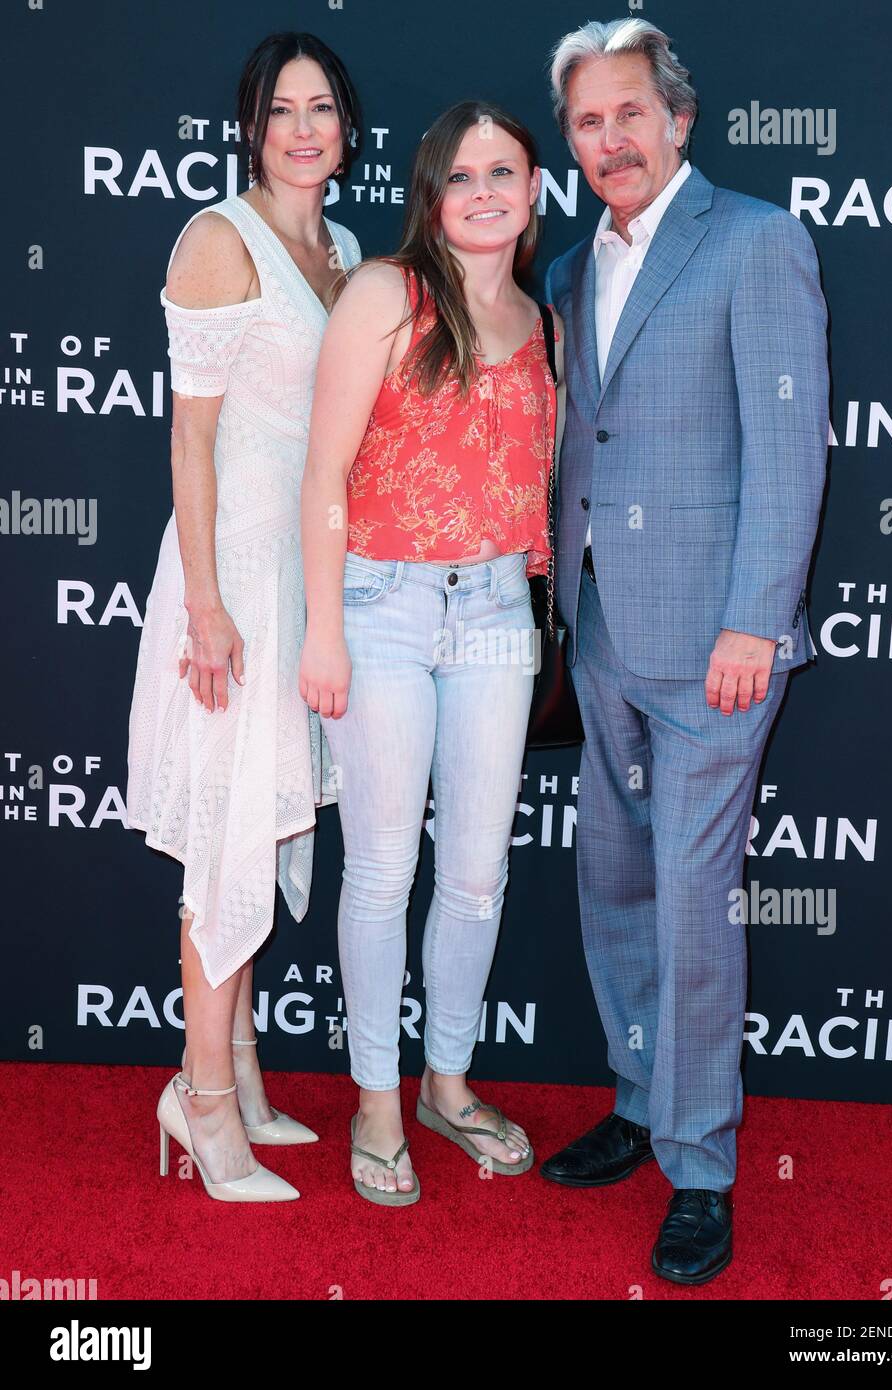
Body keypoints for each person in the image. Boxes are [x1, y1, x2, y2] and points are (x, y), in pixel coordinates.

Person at [539, 18, 829, 1283]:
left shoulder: (754, 241)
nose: (611, 138)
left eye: (628, 113)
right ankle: (641, 1098)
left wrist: (753, 623)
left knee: (697, 909)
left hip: (713, 642)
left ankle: (701, 1164)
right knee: (613, 880)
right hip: (596, 631)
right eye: (587, 122)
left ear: (678, 119)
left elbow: (788, 449)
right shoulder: (563, 267)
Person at [299, 101, 563, 1206]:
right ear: (430, 195)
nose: (484, 191)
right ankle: (372, 1096)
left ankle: (444, 1086)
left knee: (473, 873)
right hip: (383, 609)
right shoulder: (383, 294)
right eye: (461, 176)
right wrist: (322, 628)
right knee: (379, 870)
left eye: (503, 171)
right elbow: (322, 477)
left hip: (499, 614)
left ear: (536, 191)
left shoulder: (542, 320)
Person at [126, 32, 363, 1202]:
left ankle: (245, 1072)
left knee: (260, 835)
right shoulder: (217, 240)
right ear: (252, 124)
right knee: (226, 837)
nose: (303, 128)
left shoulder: (344, 249)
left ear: (345, 126)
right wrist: (208, 604)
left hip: (300, 586)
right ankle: (201, 1100)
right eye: (283, 109)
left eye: (322, 108)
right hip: (230, 590)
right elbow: (193, 436)